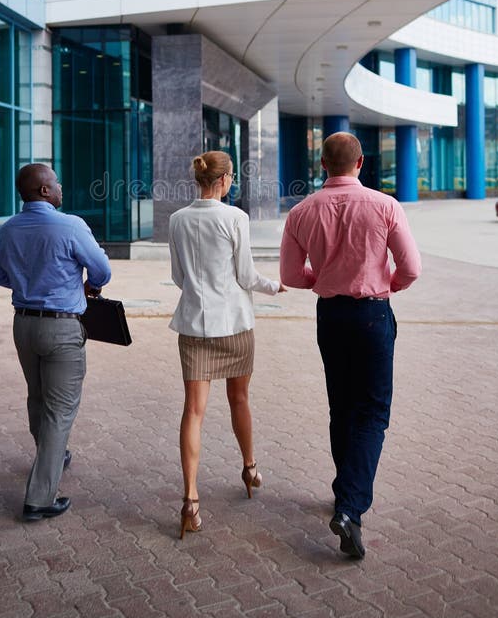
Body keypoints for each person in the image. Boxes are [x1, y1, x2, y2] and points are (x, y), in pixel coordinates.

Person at [280, 132, 421, 559]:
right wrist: (386, 285)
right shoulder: (384, 206)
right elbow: (411, 268)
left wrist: (320, 279)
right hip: (373, 313)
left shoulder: (301, 212)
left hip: (332, 316)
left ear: (323, 164)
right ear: (360, 163)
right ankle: (350, 507)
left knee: (341, 406)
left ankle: (345, 491)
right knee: (373, 411)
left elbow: (290, 274)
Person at [168, 151, 286, 539]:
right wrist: (274, 286)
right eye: (231, 176)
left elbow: (179, 276)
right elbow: (247, 274)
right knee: (240, 400)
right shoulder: (236, 218)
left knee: (194, 412)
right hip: (234, 323)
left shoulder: (177, 220)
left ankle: (190, 500)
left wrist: (201, 295)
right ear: (222, 181)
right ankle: (250, 469)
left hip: (194, 325)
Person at [0, 163, 111, 522]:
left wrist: (31, 283)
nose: (60, 186)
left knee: (37, 397)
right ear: (44, 191)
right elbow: (102, 270)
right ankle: (39, 499)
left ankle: (52, 454)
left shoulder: (7, 229)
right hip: (61, 328)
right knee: (60, 411)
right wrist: (84, 285)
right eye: (56, 182)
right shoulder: (70, 225)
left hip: (23, 325)